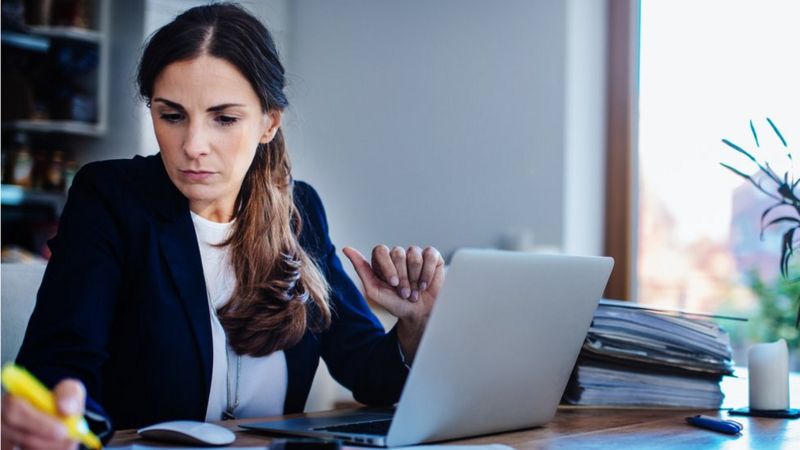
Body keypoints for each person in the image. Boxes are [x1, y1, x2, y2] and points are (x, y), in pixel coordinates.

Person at [0, 3, 445, 449]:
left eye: (224, 119)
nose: (193, 146)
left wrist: (415, 327)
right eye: (171, 115)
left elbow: (370, 376)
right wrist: (60, 414)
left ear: (269, 122)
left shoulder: (300, 210)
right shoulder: (111, 199)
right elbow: (61, 359)